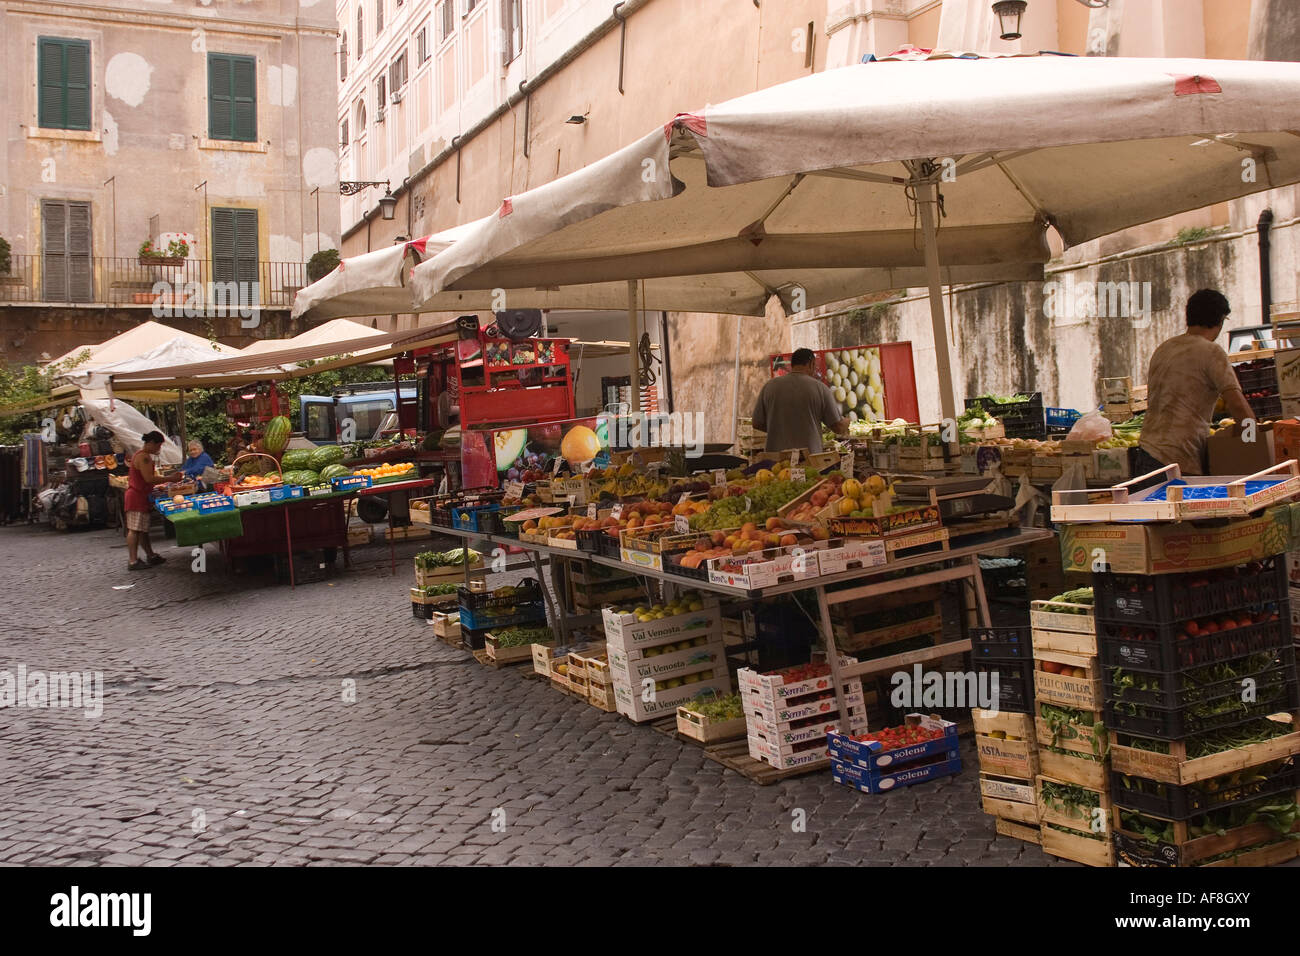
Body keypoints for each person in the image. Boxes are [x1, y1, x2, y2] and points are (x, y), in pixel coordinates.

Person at [1137, 289, 1255, 477]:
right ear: (1221, 320)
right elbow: (1239, 407)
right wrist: (1253, 443)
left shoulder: (1164, 348)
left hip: (1146, 454)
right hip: (1179, 458)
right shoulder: (1211, 352)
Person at [751, 348, 849, 455]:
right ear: (811, 364)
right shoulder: (820, 388)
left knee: (779, 473)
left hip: (776, 460)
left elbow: (756, 423)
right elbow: (838, 427)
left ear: (792, 364)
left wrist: (779, 430)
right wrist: (848, 421)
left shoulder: (769, 386)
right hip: (810, 459)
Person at [124, 431, 182, 571]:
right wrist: (170, 479)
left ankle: (150, 555)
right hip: (136, 496)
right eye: (158, 445)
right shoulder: (144, 457)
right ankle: (132, 560)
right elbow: (148, 478)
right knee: (134, 529)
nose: (159, 449)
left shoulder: (141, 455)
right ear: (151, 443)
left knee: (142, 529)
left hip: (140, 496)